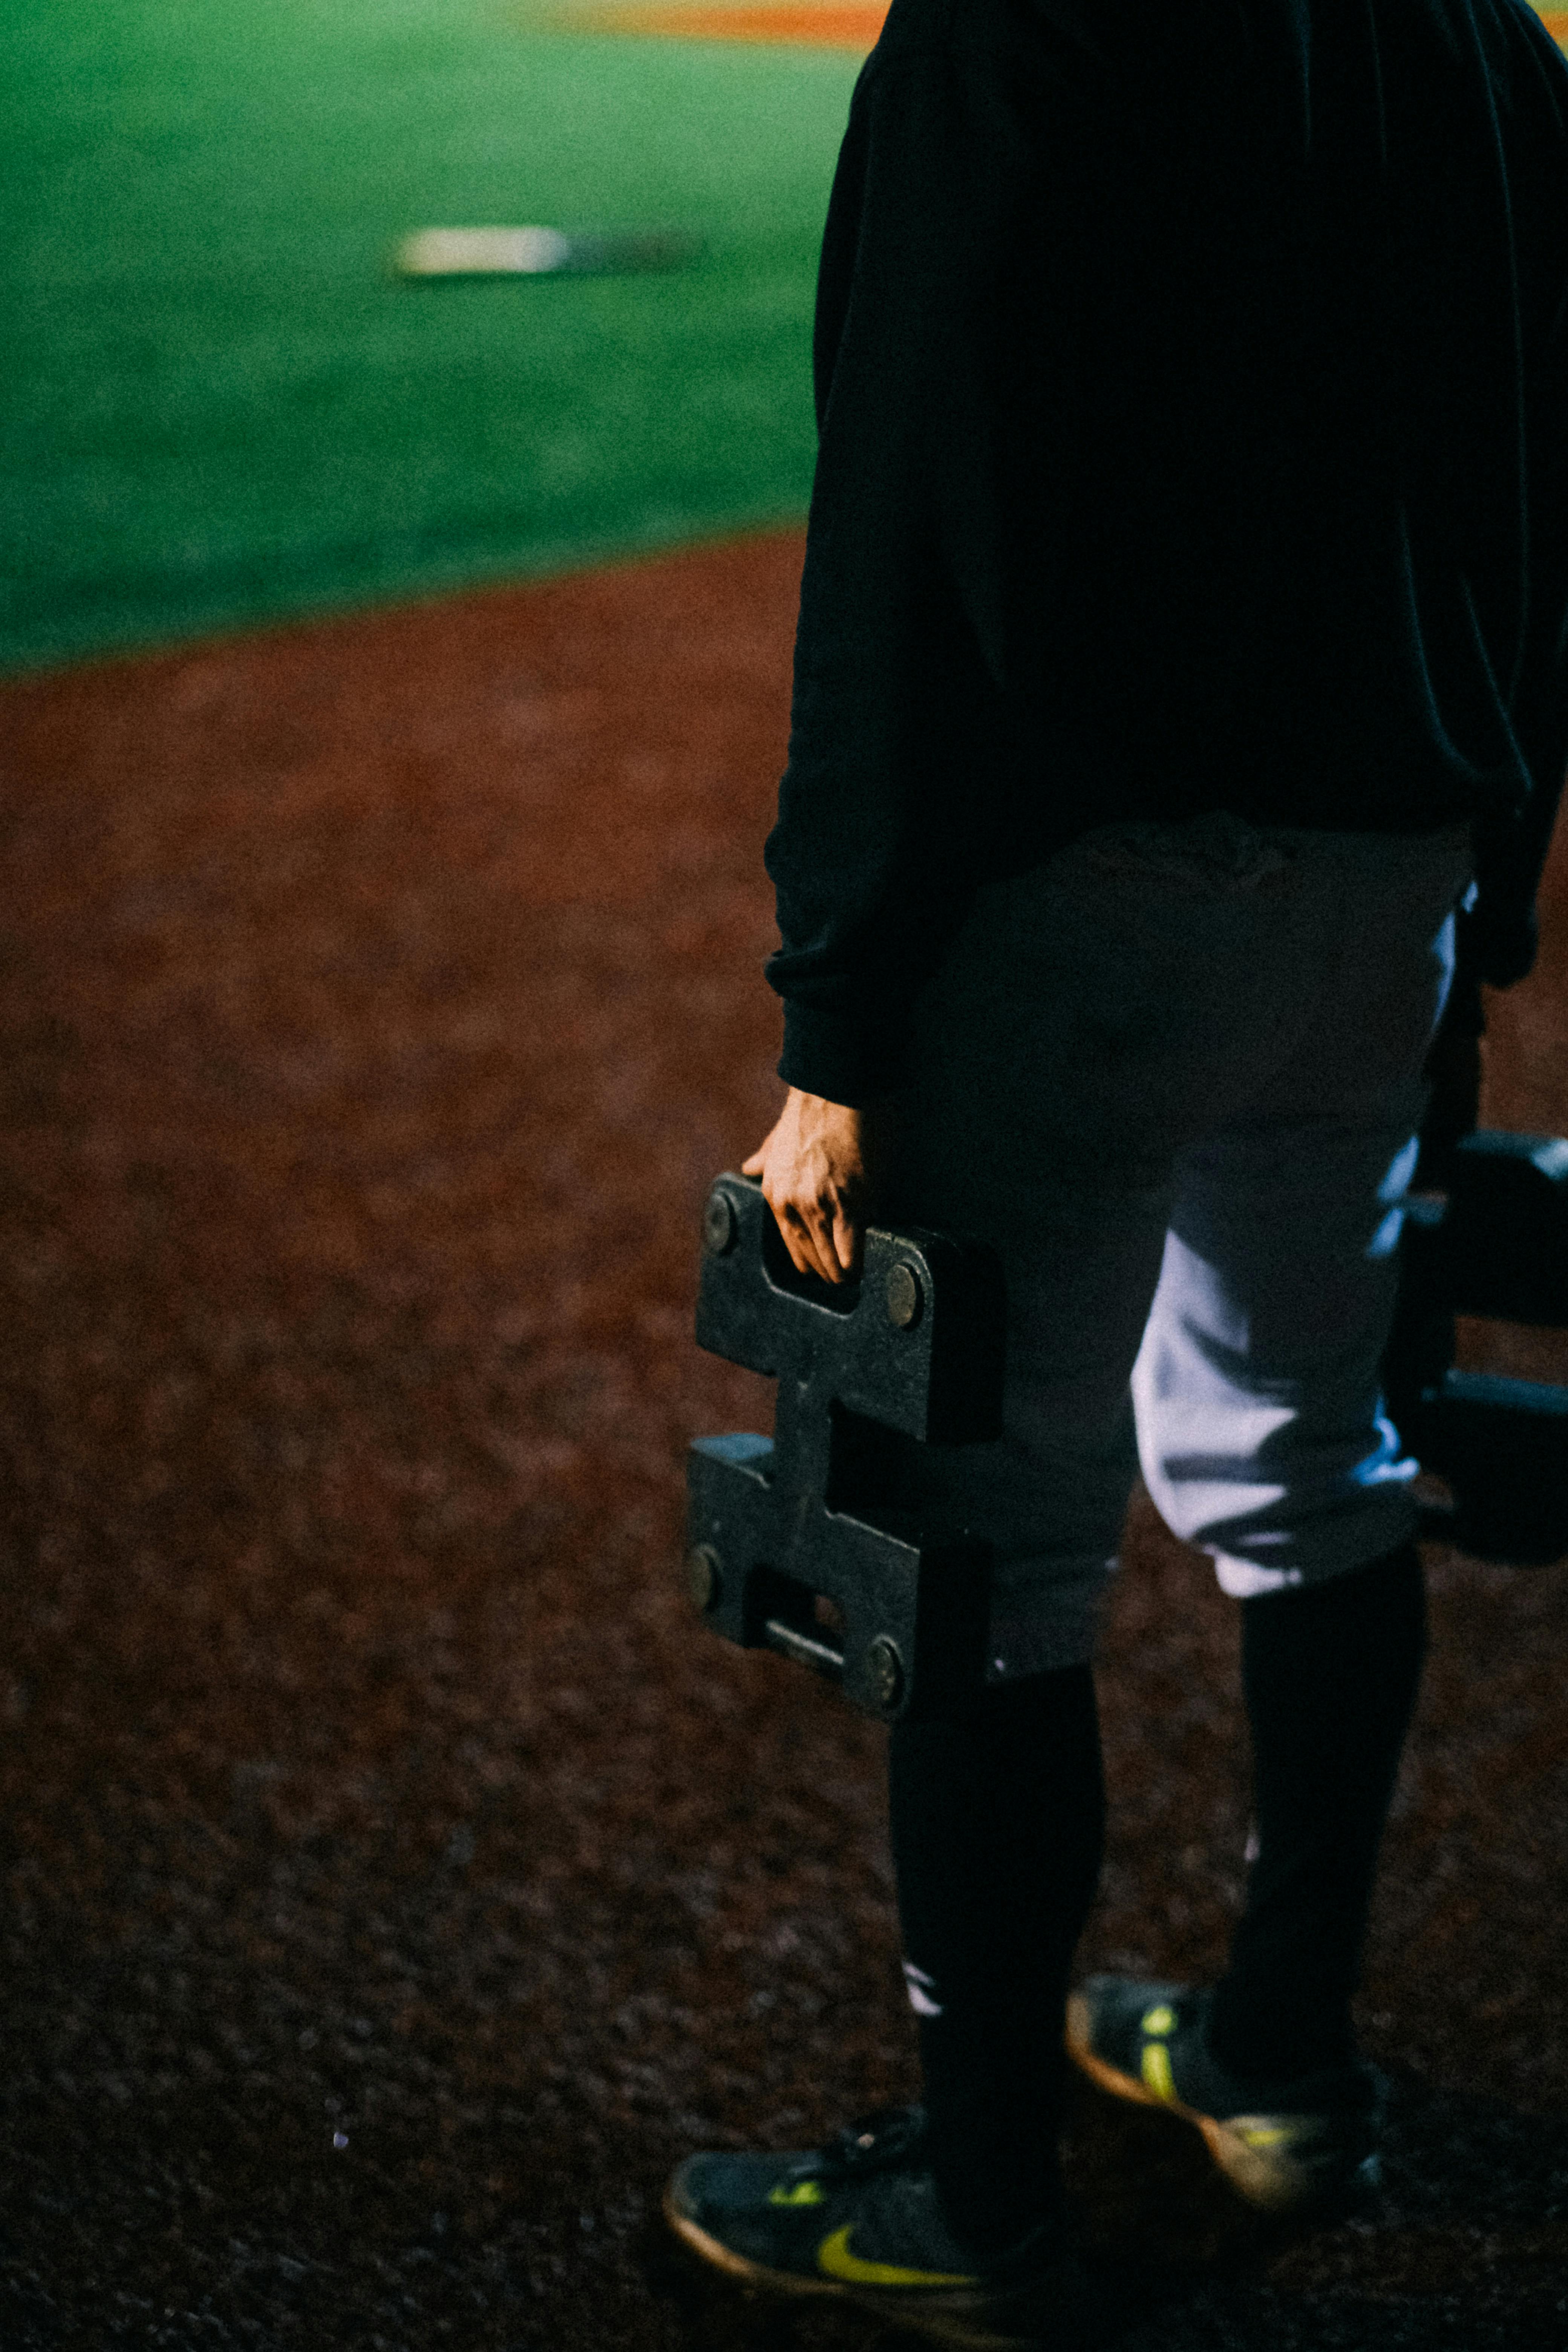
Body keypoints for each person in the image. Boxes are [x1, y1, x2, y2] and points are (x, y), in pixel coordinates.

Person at [663, 0, 1568, 2341]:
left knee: (978, 1555)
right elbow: (1547, 468)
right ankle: (1284, 2059)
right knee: (1312, 1459)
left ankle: (977, 2212)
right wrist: (1496, 883)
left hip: (1080, 905)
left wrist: (835, 1022)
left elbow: (904, 499)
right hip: (1391, 876)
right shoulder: (1478, 28)